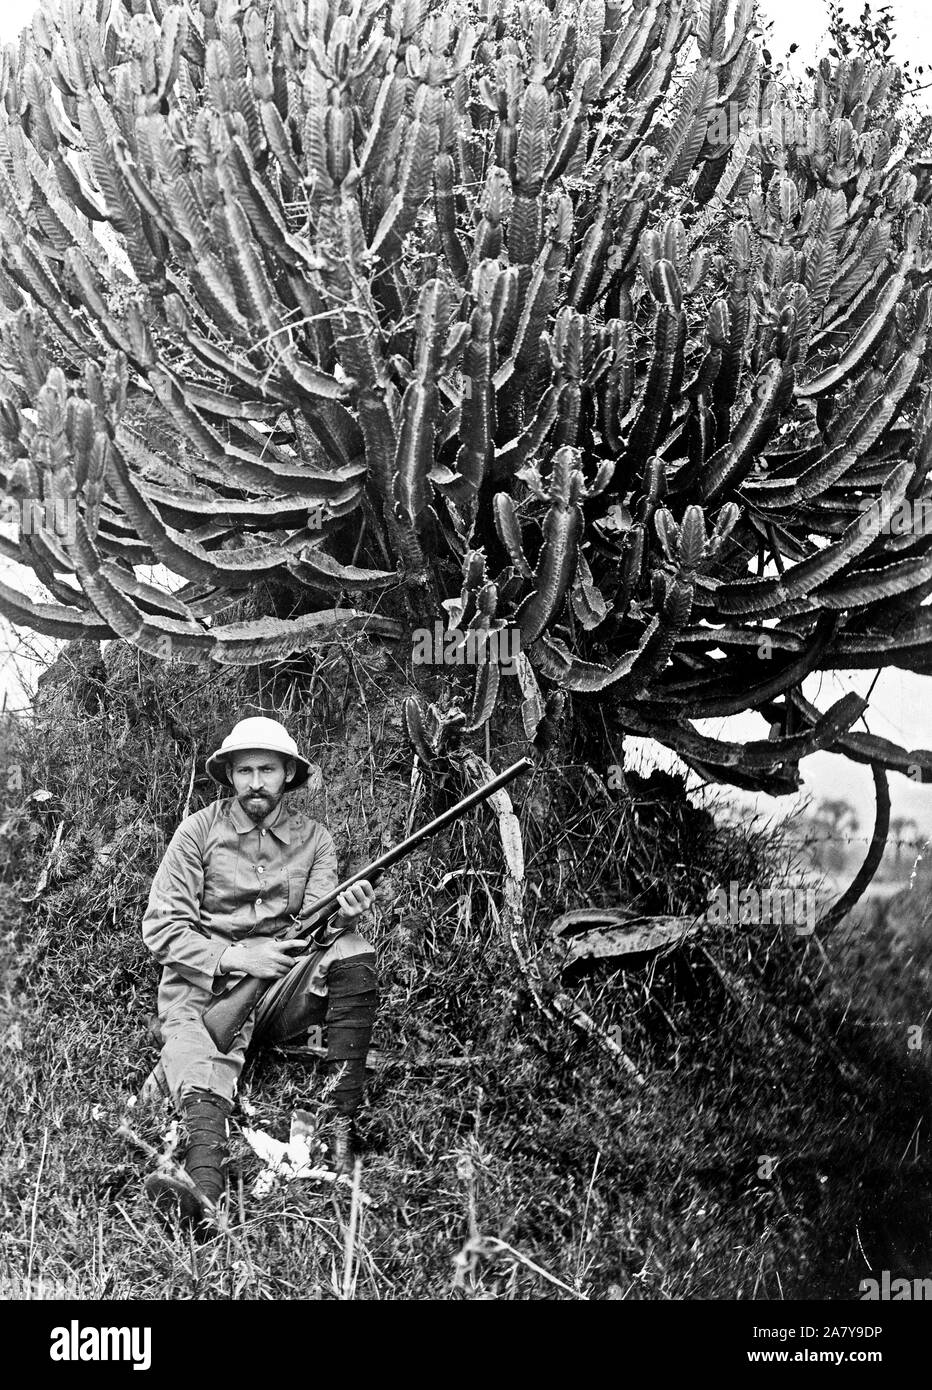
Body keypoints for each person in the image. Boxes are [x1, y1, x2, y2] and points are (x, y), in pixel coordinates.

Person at [140, 716, 378, 1222]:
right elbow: (161, 927)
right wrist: (236, 957)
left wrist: (343, 918)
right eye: (243, 770)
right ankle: (204, 1189)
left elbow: (319, 932)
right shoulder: (197, 832)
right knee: (199, 1056)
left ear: (288, 772)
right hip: (200, 989)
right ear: (228, 774)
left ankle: (340, 1127)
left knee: (353, 947)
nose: (255, 782)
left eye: (266, 769)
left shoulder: (317, 841)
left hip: (280, 991)